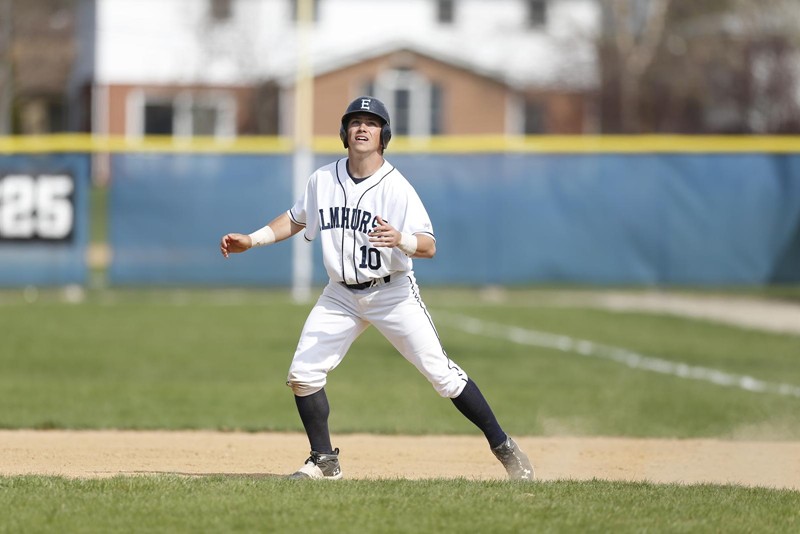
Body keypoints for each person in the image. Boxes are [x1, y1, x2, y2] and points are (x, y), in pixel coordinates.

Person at [219, 96, 534, 481]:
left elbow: (429, 245)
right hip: (340, 295)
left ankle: (504, 447)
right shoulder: (323, 179)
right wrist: (252, 240)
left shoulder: (397, 187)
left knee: (443, 377)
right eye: (355, 122)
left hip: (392, 293)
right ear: (344, 133)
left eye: (371, 122)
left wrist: (401, 240)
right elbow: (296, 218)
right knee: (303, 374)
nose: (362, 128)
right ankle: (324, 460)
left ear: (384, 135)